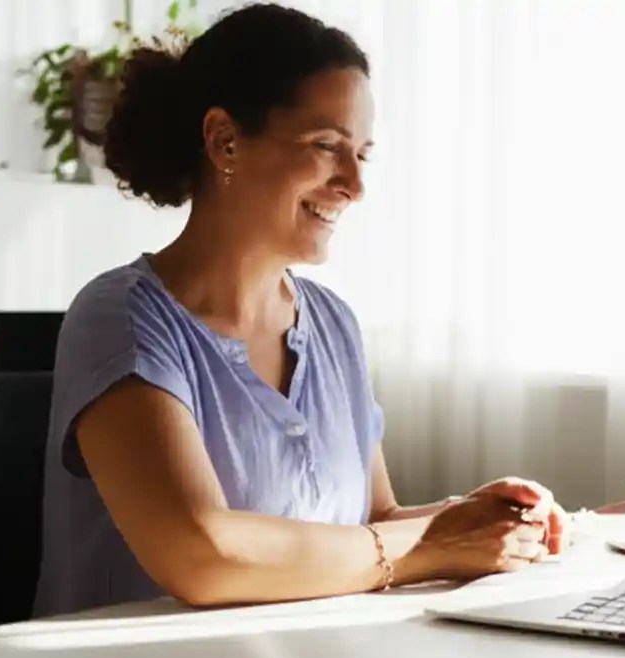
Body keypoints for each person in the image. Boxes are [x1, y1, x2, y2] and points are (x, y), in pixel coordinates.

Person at [33, 4, 570, 616]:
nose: (353, 184)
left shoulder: (333, 324)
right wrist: (431, 545)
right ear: (224, 140)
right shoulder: (121, 320)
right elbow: (200, 554)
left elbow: (376, 521)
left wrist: (481, 521)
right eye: (326, 146)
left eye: (361, 154)